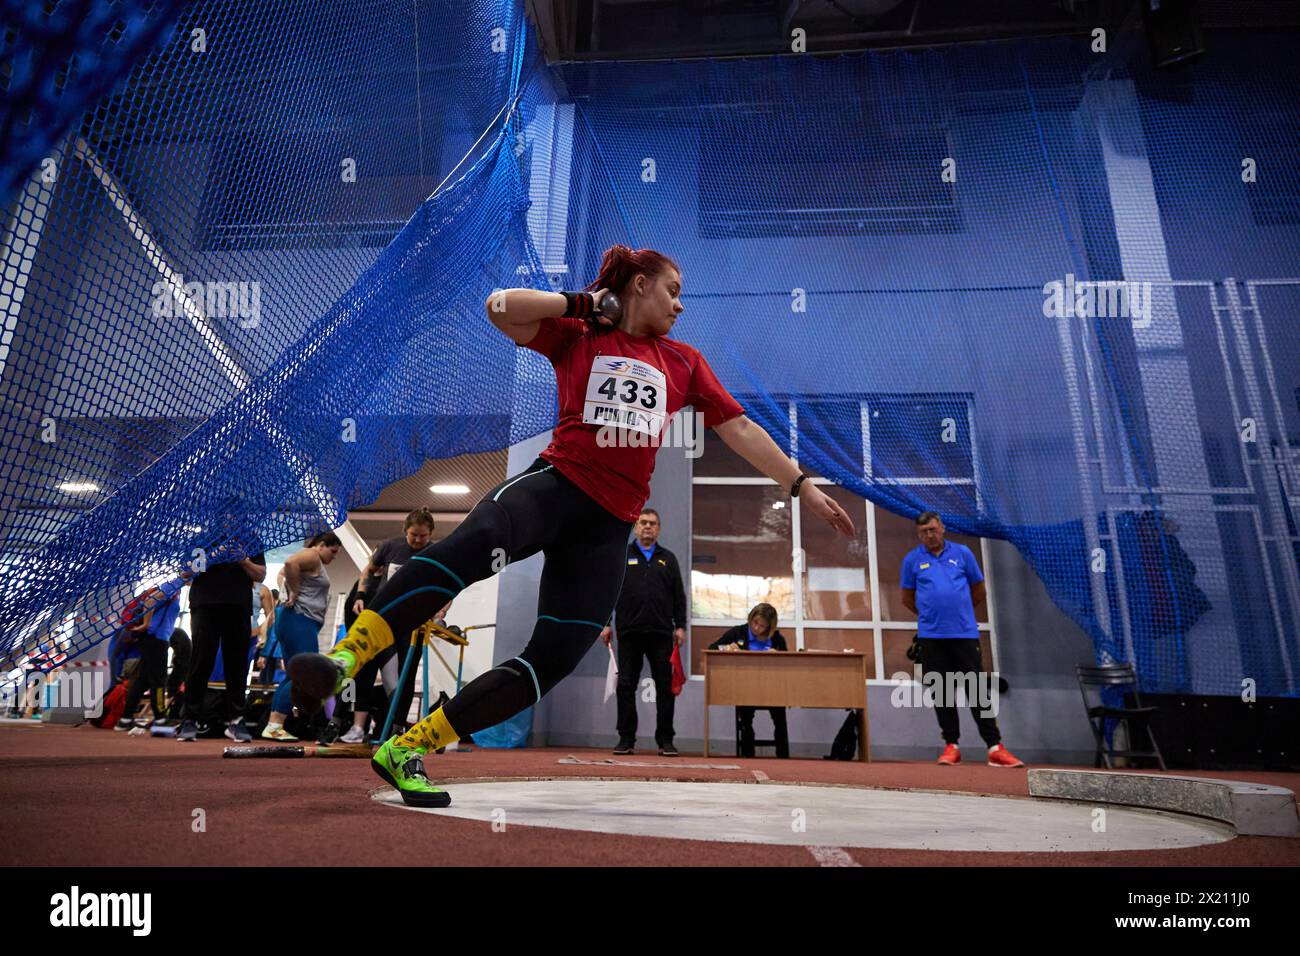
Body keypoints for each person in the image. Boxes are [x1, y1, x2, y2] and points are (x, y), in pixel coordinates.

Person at [287, 244, 856, 807]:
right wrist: (583, 304)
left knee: (552, 659)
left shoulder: (684, 362)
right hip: (554, 487)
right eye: (673, 291)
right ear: (639, 284)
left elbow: (739, 429)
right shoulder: (581, 335)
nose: (681, 306)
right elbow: (500, 306)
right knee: (473, 544)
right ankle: (343, 663)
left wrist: (800, 485)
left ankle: (409, 748)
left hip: (608, 529)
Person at [901, 511, 1024, 767]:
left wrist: (960, 612)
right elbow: (907, 598)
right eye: (924, 532)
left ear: (942, 528)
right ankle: (951, 746)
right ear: (918, 535)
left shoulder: (963, 554)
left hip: (965, 634)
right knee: (943, 692)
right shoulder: (912, 560)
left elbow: (978, 590)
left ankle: (994, 747)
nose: (929, 535)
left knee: (976, 691)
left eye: (933, 530)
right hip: (932, 638)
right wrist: (932, 615)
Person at [339, 509, 440, 744]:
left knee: (405, 675)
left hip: (412, 622)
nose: (417, 540)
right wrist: (361, 595)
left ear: (430, 534)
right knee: (365, 672)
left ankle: (397, 728)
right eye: (414, 535)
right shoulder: (390, 547)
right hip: (383, 617)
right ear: (405, 531)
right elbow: (369, 570)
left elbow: (447, 588)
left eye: (423, 536)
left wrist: (440, 612)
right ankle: (357, 728)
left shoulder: (437, 553)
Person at [601, 507, 686, 756]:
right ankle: (626, 739)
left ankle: (666, 740)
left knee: (665, 687)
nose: (647, 527)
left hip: (661, 633)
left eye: (652, 523)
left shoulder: (668, 559)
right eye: (643, 523)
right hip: (629, 632)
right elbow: (609, 593)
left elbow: (678, 596)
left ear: (658, 529)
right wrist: (606, 622)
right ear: (636, 527)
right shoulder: (622, 556)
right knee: (626, 685)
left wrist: (680, 626)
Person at [178, 541, 267, 742]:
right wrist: (214, 556)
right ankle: (190, 719)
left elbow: (260, 575)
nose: (232, 516)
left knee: (237, 665)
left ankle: (236, 720)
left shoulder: (249, 538)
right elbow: (185, 573)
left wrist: (243, 561)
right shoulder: (204, 538)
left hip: (238, 607)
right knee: (201, 662)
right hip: (205, 605)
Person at [260, 533, 342, 740]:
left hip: (299, 621)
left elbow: (283, 571)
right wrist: (294, 592)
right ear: (321, 545)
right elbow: (288, 563)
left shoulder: (313, 561)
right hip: (298, 619)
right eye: (332, 551)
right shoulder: (312, 555)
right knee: (307, 673)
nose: (334, 557)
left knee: (293, 675)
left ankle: (274, 725)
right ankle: (275, 723)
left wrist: (289, 589)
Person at [707, 603, 790, 758]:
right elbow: (712, 648)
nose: (757, 628)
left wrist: (778, 655)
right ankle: (747, 755)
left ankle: (783, 756)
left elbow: (787, 664)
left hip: (772, 688)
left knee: (780, 719)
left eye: (762, 626)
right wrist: (727, 648)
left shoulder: (777, 639)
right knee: (746, 719)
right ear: (751, 618)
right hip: (745, 686)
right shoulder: (738, 632)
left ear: (769, 627)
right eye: (755, 622)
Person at [116, 573, 190, 731]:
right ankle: (160, 718)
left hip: (156, 637)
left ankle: (125, 718)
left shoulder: (176, 589)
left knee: (143, 679)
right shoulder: (172, 587)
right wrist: (146, 624)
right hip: (156, 638)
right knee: (159, 679)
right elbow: (150, 601)